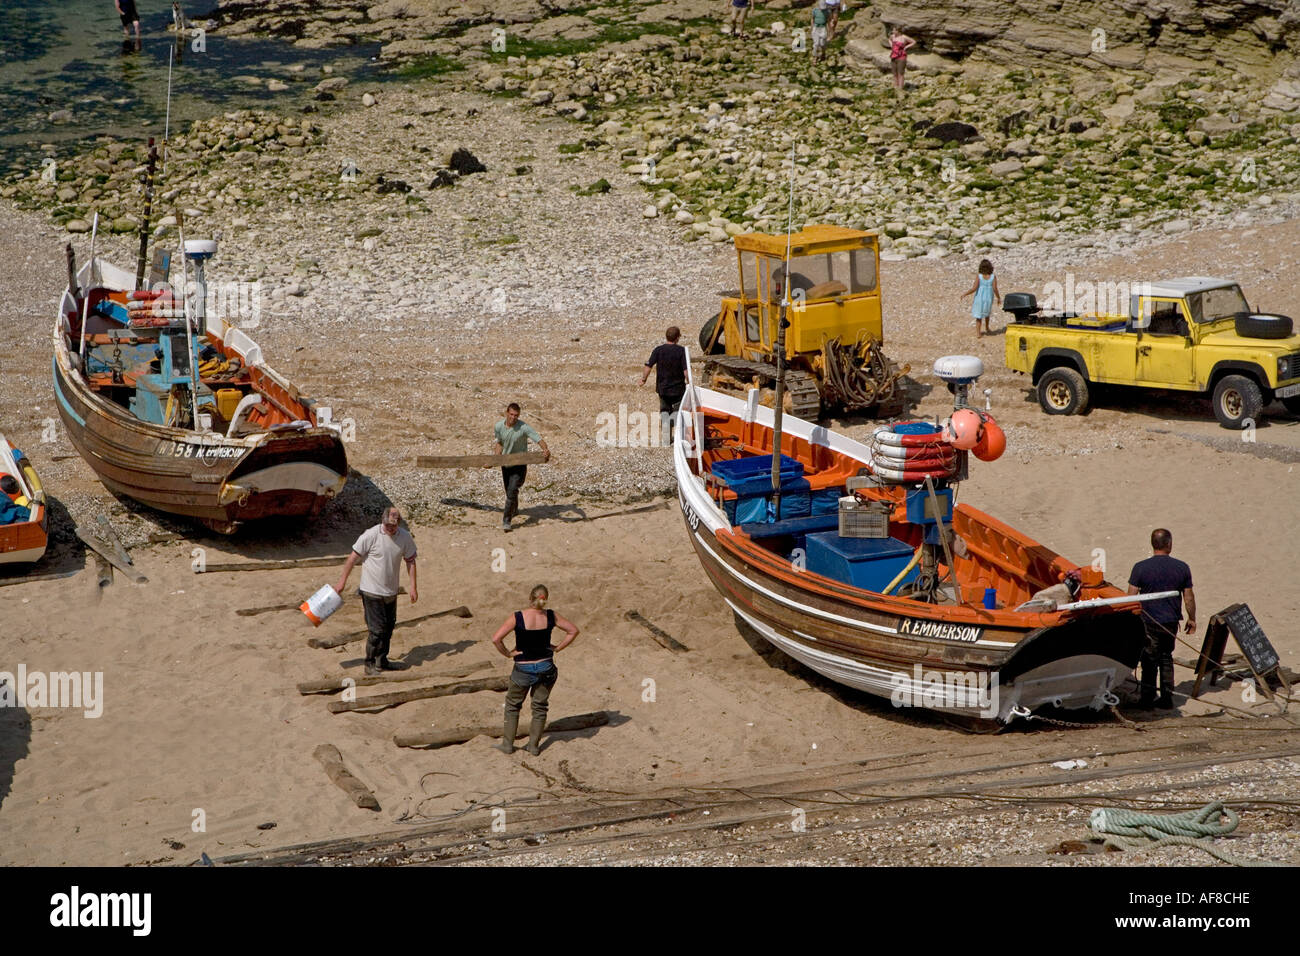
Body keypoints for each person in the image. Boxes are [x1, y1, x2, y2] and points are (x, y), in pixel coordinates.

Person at [490, 585, 579, 755]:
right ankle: (533, 746)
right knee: (539, 707)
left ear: (530, 598)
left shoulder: (518, 617)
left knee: (513, 706)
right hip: (546, 667)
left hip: (523, 668)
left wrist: (508, 653)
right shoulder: (551, 615)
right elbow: (573, 631)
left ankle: (508, 745)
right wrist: (557, 648)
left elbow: (496, 639)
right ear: (545, 600)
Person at [336, 507, 418, 676]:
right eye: (388, 525)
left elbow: (410, 561)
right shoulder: (371, 535)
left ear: (398, 524)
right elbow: (352, 558)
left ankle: (382, 660)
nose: (390, 529)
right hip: (371, 590)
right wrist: (342, 582)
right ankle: (370, 663)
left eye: (393, 526)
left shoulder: (404, 537)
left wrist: (413, 587)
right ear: (383, 521)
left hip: (390, 591)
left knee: (388, 627)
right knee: (377, 630)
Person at [1127, 528, 1196, 710]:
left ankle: (1147, 698)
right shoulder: (1182, 567)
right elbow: (1188, 597)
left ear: (1153, 544)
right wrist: (1192, 618)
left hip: (1148, 621)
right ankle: (1167, 698)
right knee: (1166, 658)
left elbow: (1131, 596)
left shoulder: (1140, 567)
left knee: (1148, 659)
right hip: (1170, 621)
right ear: (1169, 544)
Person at [494, 402, 550, 532]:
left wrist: (545, 449)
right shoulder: (498, 426)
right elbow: (499, 443)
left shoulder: (523, 427)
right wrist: (495, 459)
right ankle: (515, 509)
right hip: (505, 464)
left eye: (516, 415)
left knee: (512, 490)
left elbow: (538, 439)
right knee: (510, 491)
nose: (513, 417)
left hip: (519, 464)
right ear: (506, 413)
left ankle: (506, 521)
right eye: (511, 414)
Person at [641, 326, 688, 443]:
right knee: (678, 413)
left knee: (665, 412)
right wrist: (690, 383)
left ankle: (666, 439)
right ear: (677, 338)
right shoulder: (681, 351)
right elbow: (686, 371)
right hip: (678, 390)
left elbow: (648, 366)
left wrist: (643, 379)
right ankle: (679, 439)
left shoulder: (658, 350)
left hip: (663, 389)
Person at [960, 258, 1000, 337]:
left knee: (979, 316)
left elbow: (974, 288)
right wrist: (998, 297)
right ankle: (987, 328)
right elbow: (995, 289)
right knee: (987, 313)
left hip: (979, 298)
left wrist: (965, 294)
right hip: (988, 298)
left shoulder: (979, 276)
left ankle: (978, 333)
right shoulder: (993, 276)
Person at [888, 27, 916, 92]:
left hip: (901, 56)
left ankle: (900, 88)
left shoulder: (904, 37)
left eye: (894, 30)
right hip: (893, 56)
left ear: (898, 31)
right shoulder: (892, 36)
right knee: (894, 73)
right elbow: (889, 39)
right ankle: (895, 87)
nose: (893, 31)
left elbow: (913, 42)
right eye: (893, 30)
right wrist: (891, 45)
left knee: (900, 73)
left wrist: (906, 47)